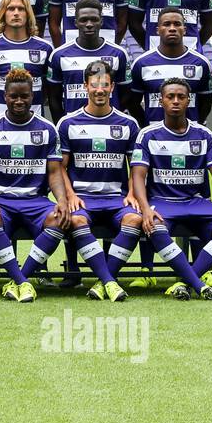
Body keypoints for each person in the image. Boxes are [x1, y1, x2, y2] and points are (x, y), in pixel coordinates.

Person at [130, 78, 212, 301]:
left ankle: (185, 282)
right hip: (161, 202)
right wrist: (145, 208)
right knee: (154, 227)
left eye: (181, 96)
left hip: (197, 202)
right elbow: (138, 176)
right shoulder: (148, 134)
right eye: (170, 96)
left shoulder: (204, 134)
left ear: (189, 100)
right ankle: (198, 284)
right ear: (160, 101)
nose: (175, 101)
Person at [51, 61, 143, 300]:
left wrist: (132, 193)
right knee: (76, 219)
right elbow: (60, 167)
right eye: (94, 85)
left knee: (134, 219)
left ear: (112, 86)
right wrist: (70, 195)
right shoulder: (68, 122)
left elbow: (136, 166)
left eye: (104, 85)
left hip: (116, 198)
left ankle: (106, 279)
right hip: (82, 198)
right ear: (85, 87)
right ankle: (96, 277)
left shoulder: (128, 124)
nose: (99, 90)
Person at [0, 68, 70, 303]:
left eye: (24, 96)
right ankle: (23, 282)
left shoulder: (48, 129)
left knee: (58, 218)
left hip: (36, 201)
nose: (19, 101)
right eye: (14, 96)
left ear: (33, 96)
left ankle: (20, 278)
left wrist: (61, 201)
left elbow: (55, 173)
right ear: (4, 96)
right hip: (1, 200)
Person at [46, 0, 129, 122]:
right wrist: (63, 125)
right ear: (76, 23)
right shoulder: (59, 55)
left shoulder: (118, 54)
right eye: (84, 20)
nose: (89, 24)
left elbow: (126, 95)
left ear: (101, 22)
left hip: (110, 125)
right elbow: (54, 98)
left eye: (94, 20)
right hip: (73, 128)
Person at [0, 0, 53, 122]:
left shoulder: (45, 49)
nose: (16, 13)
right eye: (11, 9)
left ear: (28, 13)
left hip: (35, 121)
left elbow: (47, 90)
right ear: (3, 13)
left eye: (21, 9)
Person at [128, 7, 212, 126]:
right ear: (158, 30)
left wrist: (194, 127)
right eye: (166, 24)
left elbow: (206, 104)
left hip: (189, 137)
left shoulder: (201, 63)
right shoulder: (141, 63)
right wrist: (147, 127)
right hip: (154, 138)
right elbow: (133, 104)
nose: (172, 28)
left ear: (184, 29)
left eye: (177, 24)